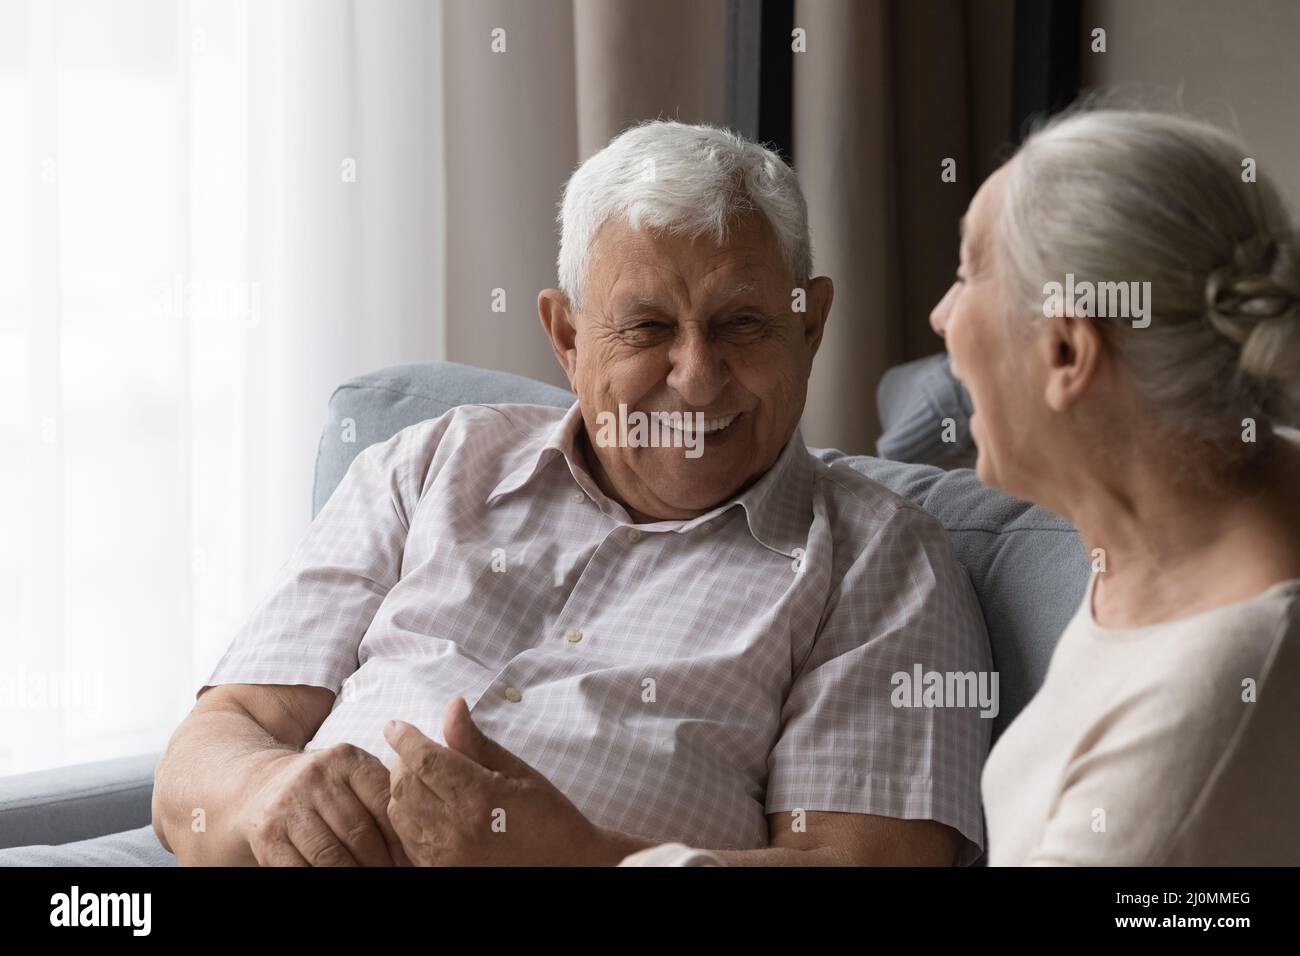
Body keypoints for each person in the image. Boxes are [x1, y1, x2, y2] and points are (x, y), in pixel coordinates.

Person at [148, 121, 993, 866]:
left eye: (742, 323)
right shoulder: (433, 461)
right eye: (649, 327)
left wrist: (589, 862)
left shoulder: (878, 564)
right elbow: (215, 739)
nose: (697, 379)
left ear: (809, 328)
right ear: (565, 335)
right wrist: (268, 793)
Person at [929, 107, 1300, 865]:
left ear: (1067, 351)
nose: (940, 317)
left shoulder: (1201, 720)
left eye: (968, 275)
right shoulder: (1195, 521)